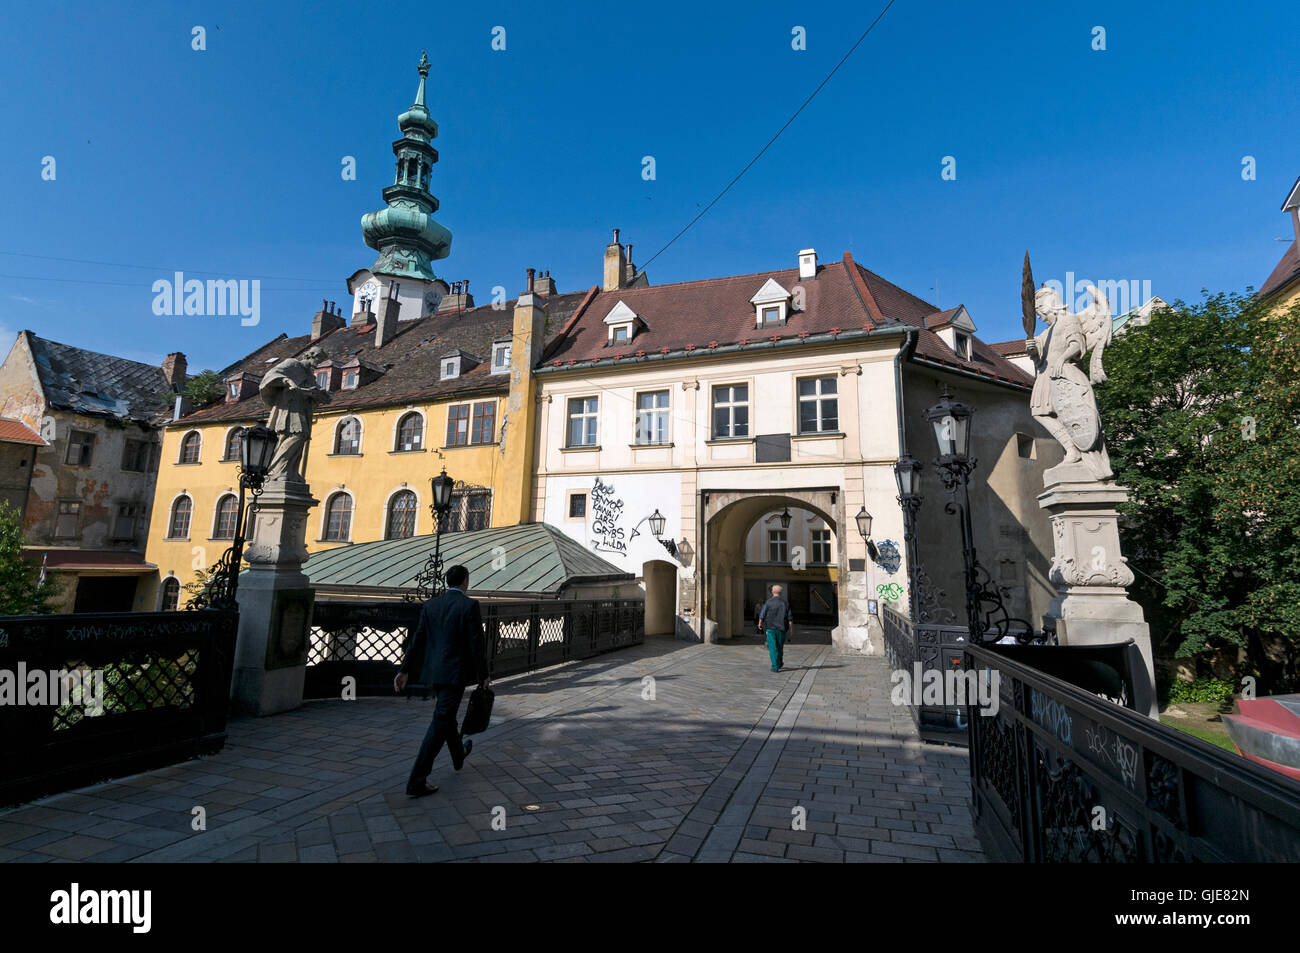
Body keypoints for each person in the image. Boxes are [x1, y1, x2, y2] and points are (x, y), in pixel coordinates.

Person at [394, 564, 490, 797]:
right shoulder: (469, 605)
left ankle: (458, 755)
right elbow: (477, 644)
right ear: (465, 582)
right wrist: (483, 675)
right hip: (455, 674)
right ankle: (417, 779)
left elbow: (417, 640)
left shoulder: (431, 605)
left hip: (434, 673)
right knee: (440, 723)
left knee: (445, 717)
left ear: (448, 582)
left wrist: (404, 670)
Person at [757, 584, 794, 673]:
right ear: (780, 593)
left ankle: (775, 667)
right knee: (780, 647)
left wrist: (759, 624)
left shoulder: (768, 602)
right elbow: (790, 618)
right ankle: (779, 662)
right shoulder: (785, 603)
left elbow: (762, 614)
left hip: (770, 628)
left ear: (772, 592)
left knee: (773, 647)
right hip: (782, 629)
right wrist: (791, 630)